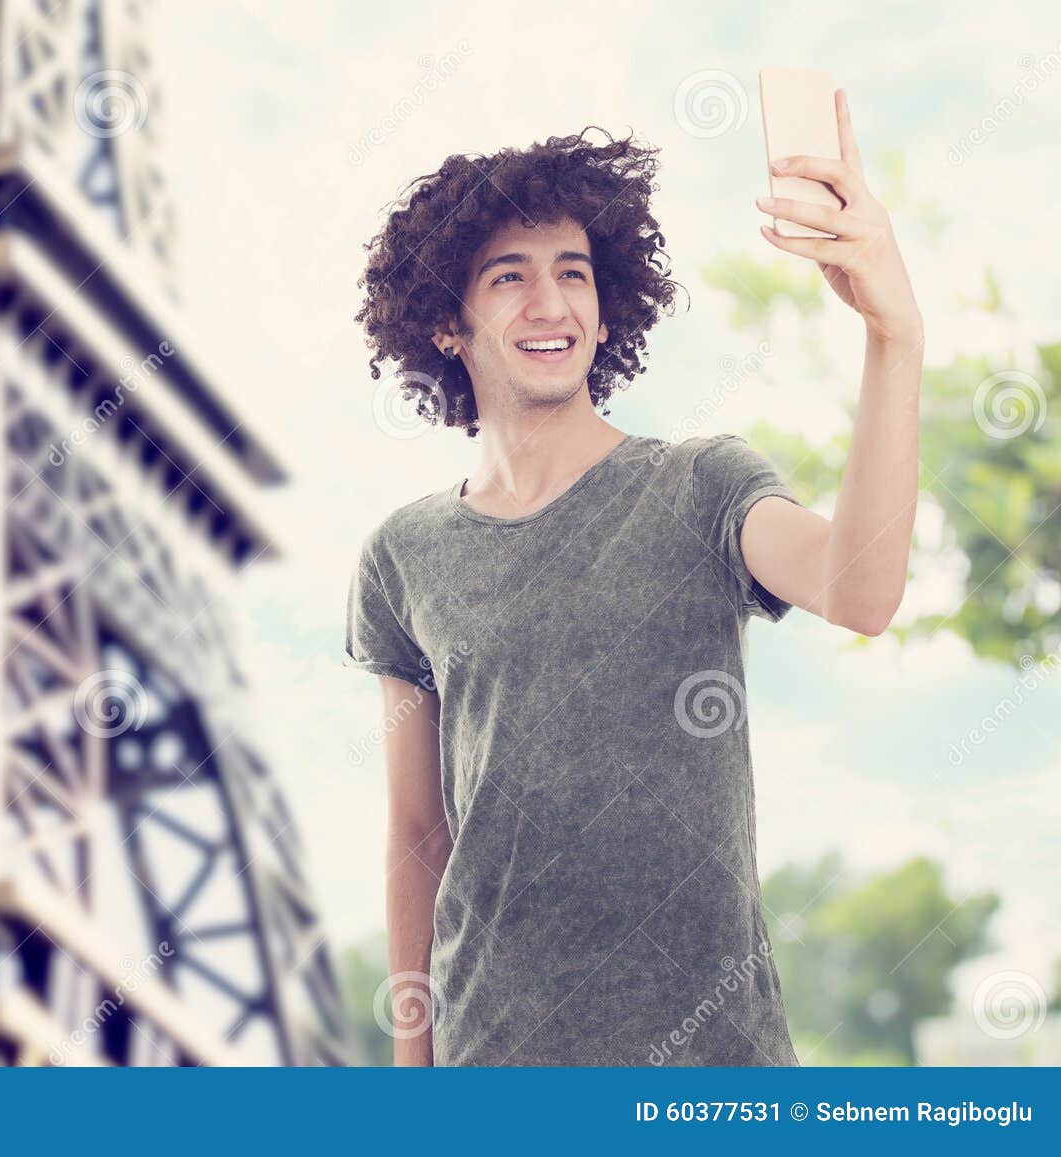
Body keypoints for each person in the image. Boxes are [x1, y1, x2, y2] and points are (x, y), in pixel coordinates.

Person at [343, 93, 922, 1066]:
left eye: (572, 272)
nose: (551, 303)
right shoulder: (404, 553)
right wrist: (413, 1075)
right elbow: (417, 836)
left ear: (607, 305)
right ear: (446, 321)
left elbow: (861, 592)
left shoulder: (701, 486)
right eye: (509, 276)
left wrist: (892, 334)